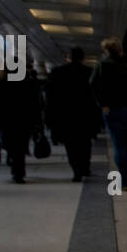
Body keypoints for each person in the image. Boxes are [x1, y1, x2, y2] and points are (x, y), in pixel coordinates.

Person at [91, 36, 127, 189]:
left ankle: (125, 182)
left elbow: (92, 84)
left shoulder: (102, 66)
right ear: (119, 50)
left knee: (119, 146)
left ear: (106, 51)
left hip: (111, 110)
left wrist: (102, 104)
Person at [45, 46, 99, 181]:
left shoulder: (57, 72)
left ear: (68, 57)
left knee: (71, 145)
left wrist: (50, 118)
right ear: (83, 57)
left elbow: (51, 98)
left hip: (65, 116)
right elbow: (96, 96)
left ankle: (76, 170)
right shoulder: (90, 72)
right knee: (85, 143)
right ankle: (85, 167)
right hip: (85, 115)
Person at [0, 63, 42, 183]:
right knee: (20, 146)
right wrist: (37, 121)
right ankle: (18, 171)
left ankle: (14, 164)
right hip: (23, 120)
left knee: (9, 143)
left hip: (5, 120)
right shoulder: (27, 82)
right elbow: (35, 103)